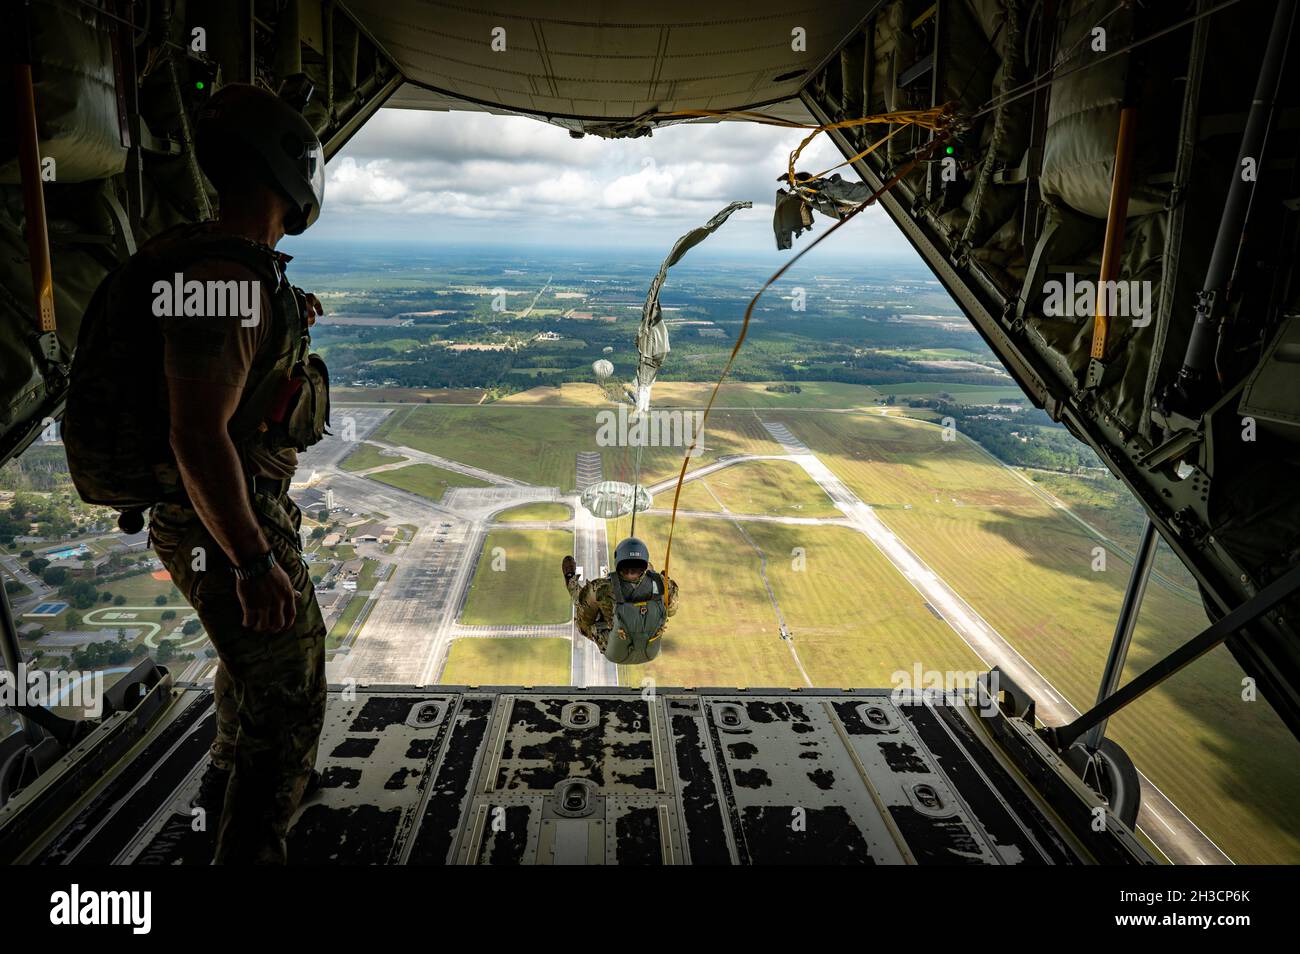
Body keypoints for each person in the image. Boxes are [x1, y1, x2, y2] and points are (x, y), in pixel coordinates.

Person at [66, 82, 330, 863]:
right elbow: (197, 435)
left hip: (209, 514)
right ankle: (252, 838)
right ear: (285, 170)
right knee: (289, 696)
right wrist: (252, 561)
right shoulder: (226, 281)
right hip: (219, 517)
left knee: (249, 670)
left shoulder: (222, 267)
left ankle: (227, 792)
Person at [563, 537, 679, 664]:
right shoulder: (663, 584)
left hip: (617, 652)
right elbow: (672, 611)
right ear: (645, 564)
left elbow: (584, 624)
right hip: (650, 650)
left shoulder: (601, 588)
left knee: (585, 610)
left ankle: (570, 579)